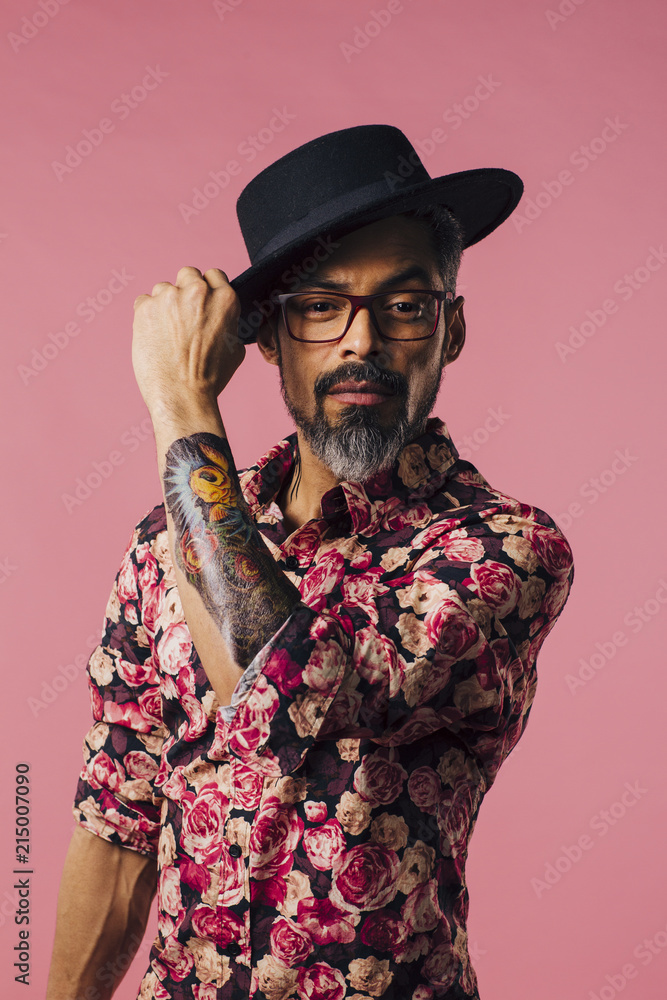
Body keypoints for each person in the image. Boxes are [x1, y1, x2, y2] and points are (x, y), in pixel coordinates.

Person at [47, 125, 575, 1000]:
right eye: (320, 306)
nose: (359, 342)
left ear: (451, 331)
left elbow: (282, 686)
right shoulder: (164, 543)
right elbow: (119, 820)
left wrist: (181, 401)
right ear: (267, 338)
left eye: (405, 305)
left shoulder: (500, 551)